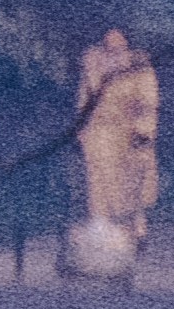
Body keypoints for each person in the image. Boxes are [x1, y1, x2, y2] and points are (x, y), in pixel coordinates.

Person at [67, 23, 160, 278]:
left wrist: (143, 132)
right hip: (98, 131)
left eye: (119, 40)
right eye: (109, 40)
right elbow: (84, 98)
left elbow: (148, 103)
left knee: (130, 185)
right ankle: (101, 234)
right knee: (98, 183)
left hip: (128, 133)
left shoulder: (139, 66)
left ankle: (135, 232)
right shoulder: (93, 62)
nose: (113, 44)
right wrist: (81, 128)